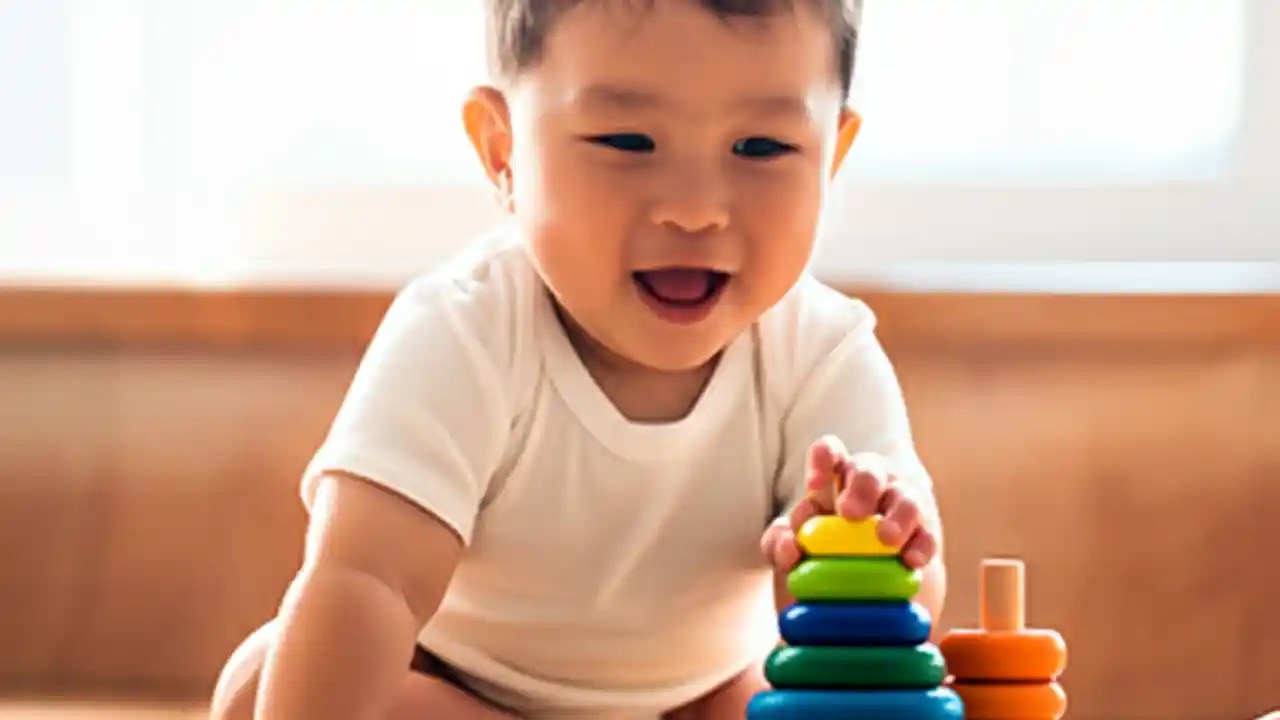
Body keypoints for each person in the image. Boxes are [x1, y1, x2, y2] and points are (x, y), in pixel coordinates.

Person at [210, 1, 945, 718]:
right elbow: (369, 581)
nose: (695, 209)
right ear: (504, 152)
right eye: (627, 141)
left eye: (761, 148)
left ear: (832, 159)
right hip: (462, 689)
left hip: (703, 698)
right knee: (260, 688)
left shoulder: (821, 354)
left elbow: (902, 620)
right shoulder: (465, 333)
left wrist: (864, 551)